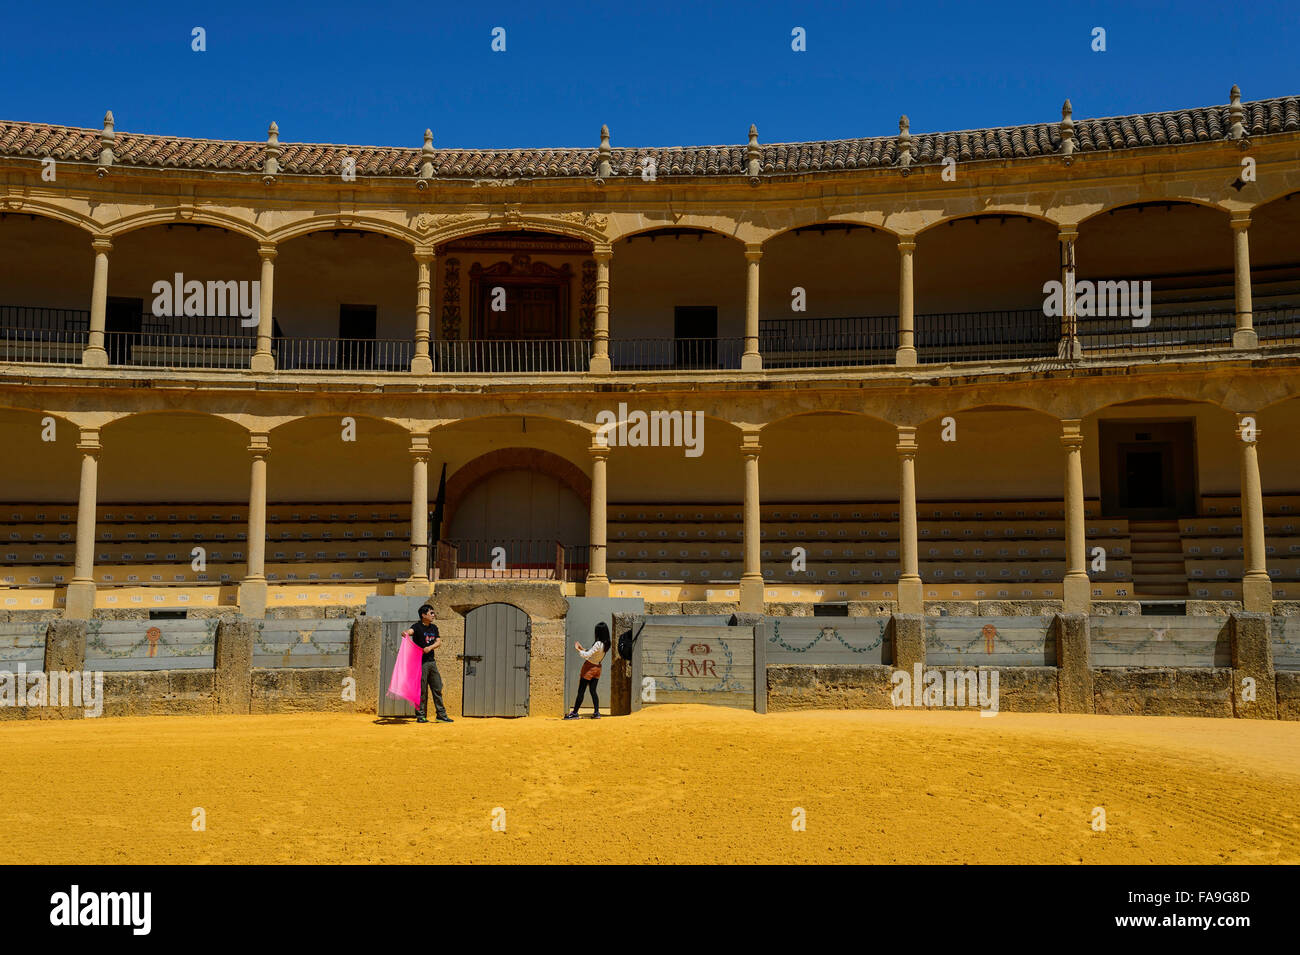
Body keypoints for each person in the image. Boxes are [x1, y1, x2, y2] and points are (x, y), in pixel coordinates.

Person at [403, 604, 454, 724]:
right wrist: (405, 633)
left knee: (437, 687)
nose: (433, 615)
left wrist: (429, 648)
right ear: (423, 615)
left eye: (433, 613)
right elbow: (409, 632)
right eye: (431, 613)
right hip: (420, 663)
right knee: (421, 691)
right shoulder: (417, 627)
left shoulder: (434, 628)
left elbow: (438, 642)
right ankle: (421, 716)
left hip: (431, 662)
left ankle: (441, 715)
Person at [564, 622, 610, 720]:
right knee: (593, 691)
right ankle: (597, 712)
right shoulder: (606, 644)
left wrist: (578, 649)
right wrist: (583, 649)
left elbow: (587, 655)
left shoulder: (598, 643)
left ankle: (575, 713)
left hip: (589, 668)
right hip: (597, 668)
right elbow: (593, 654)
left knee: (581, 691)